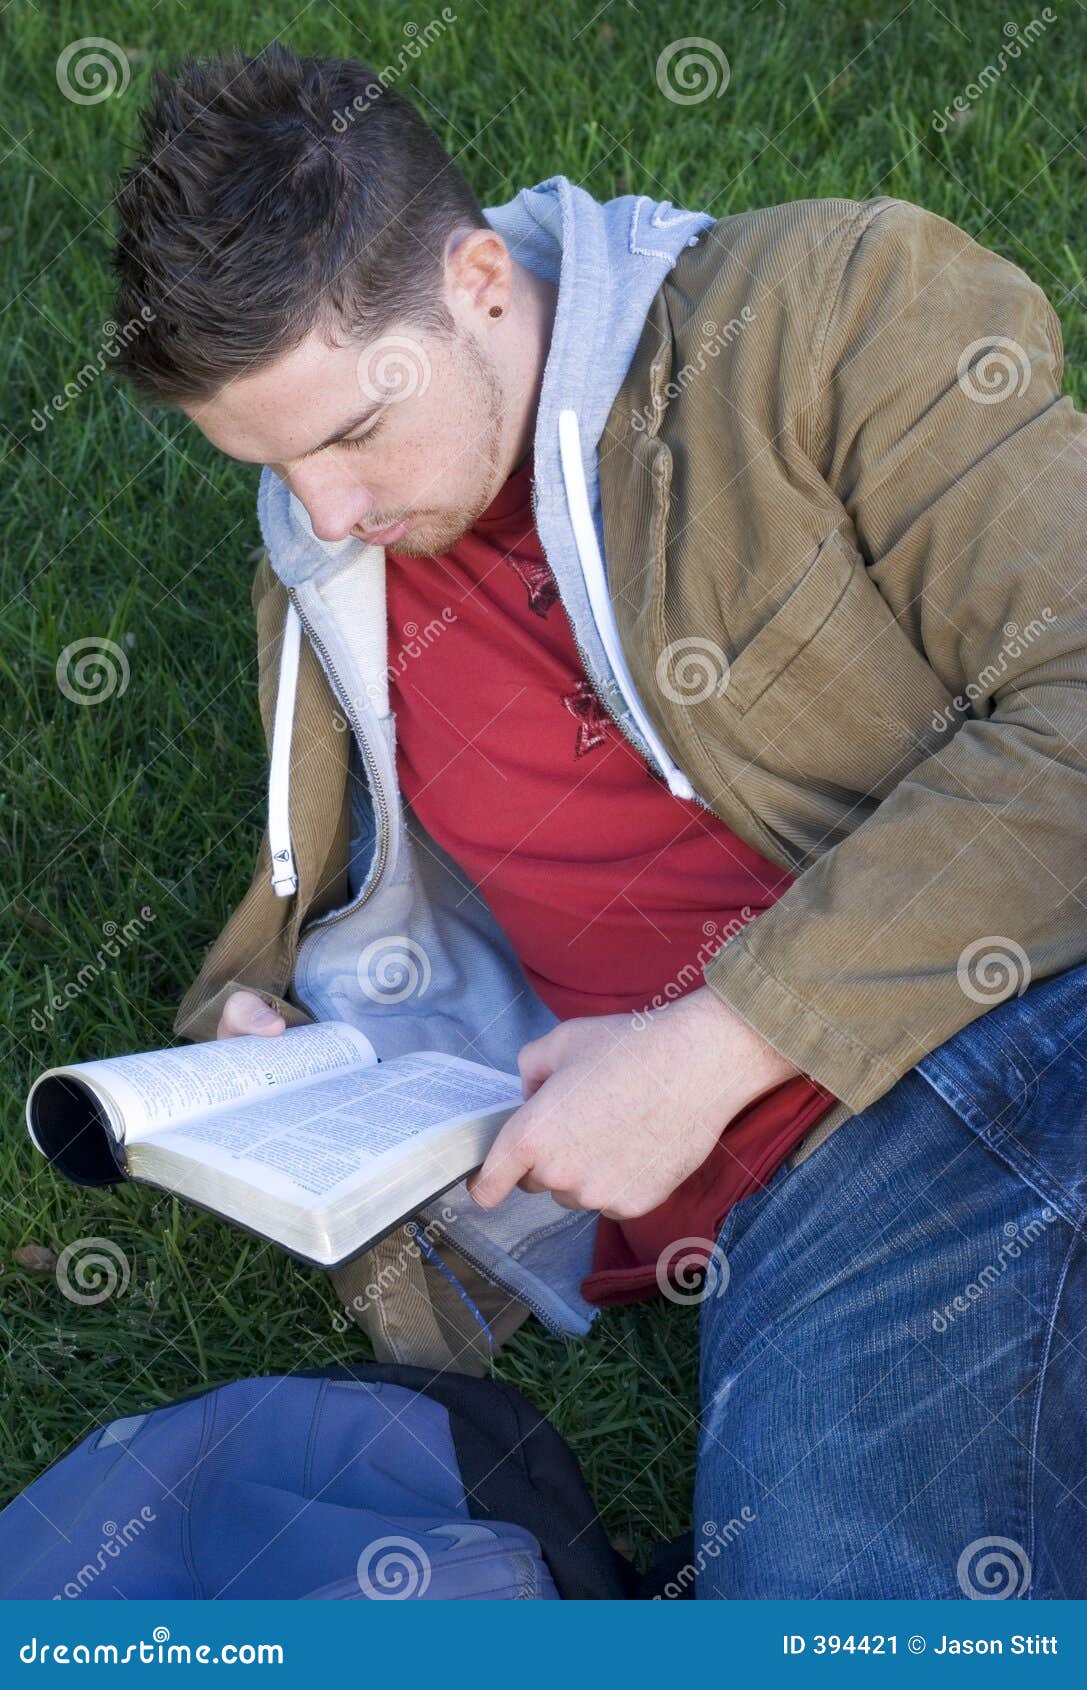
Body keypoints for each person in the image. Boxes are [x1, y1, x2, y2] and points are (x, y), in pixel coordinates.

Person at [108, 44, 1087, 1597]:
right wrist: (279, 1042)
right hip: (807, 1187)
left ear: (481, 279)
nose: (323, 508)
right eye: (270, 462)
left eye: (353, 432)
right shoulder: (330, 558)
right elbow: (354, 889)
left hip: (1012, 1011)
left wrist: (716, 1043)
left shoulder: (828, 308)